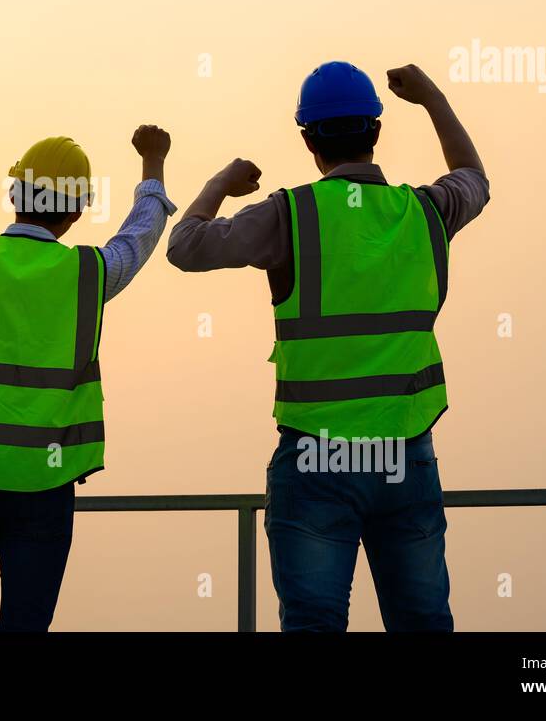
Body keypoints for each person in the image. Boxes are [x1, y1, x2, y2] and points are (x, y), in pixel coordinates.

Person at [167, 62, 489, 632]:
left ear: (309, 140)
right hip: (403, 454)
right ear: (376, 132)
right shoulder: (424, 212)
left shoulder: (290, 215)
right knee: (422, 621)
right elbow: (473, 177)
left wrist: (220, 182)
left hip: (317, 457)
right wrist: (432, 98)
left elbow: (185, 247)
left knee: (314, 622)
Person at [0, 125, 175, 631]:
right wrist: (152, 164)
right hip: (46, 487)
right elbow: (139, 235)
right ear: (77, 213)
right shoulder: (89, 273)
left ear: (14, 195)